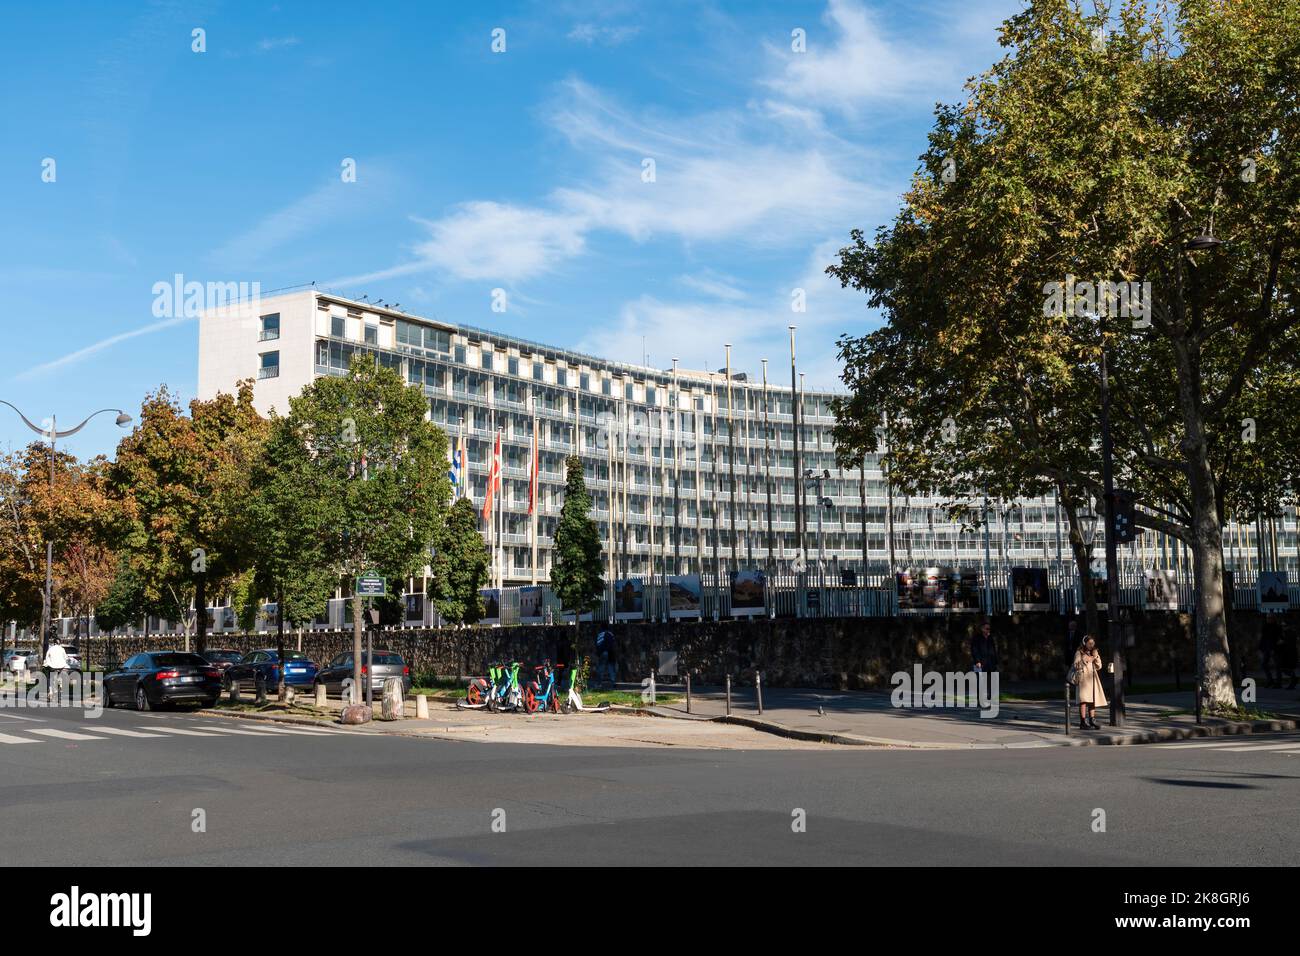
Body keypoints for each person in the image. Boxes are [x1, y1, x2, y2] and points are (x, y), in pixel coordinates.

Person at [1072, 635, 1107, 729]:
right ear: (1085, 643)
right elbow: (1076, 665)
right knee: (1083, 701)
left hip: (1093, 679)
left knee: (1092, 701)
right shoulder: (1079, 652)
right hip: (1083, 680)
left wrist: (1096, 657)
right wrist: (1086, 659)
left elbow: (1099, 666)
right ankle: (1083, 722)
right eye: (1090, 643)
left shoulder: (1093, 652)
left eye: (1093, 643)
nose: (1092, 645)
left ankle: (1092, 720)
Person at [1259, 614, 1281, 688]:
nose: (1268, 619)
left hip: (1274, 649)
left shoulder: (1277, 627)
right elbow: (1263, 638)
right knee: (1264, 664)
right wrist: (1261, 647)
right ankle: (1270, 680)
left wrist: (1274, 648)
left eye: (1270, 618)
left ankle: (1278, 683)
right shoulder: (1265, 627)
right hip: (1267, 648)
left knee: (1277, 666)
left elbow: (1277, 638)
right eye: (1267, 618)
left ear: (1274, 619)